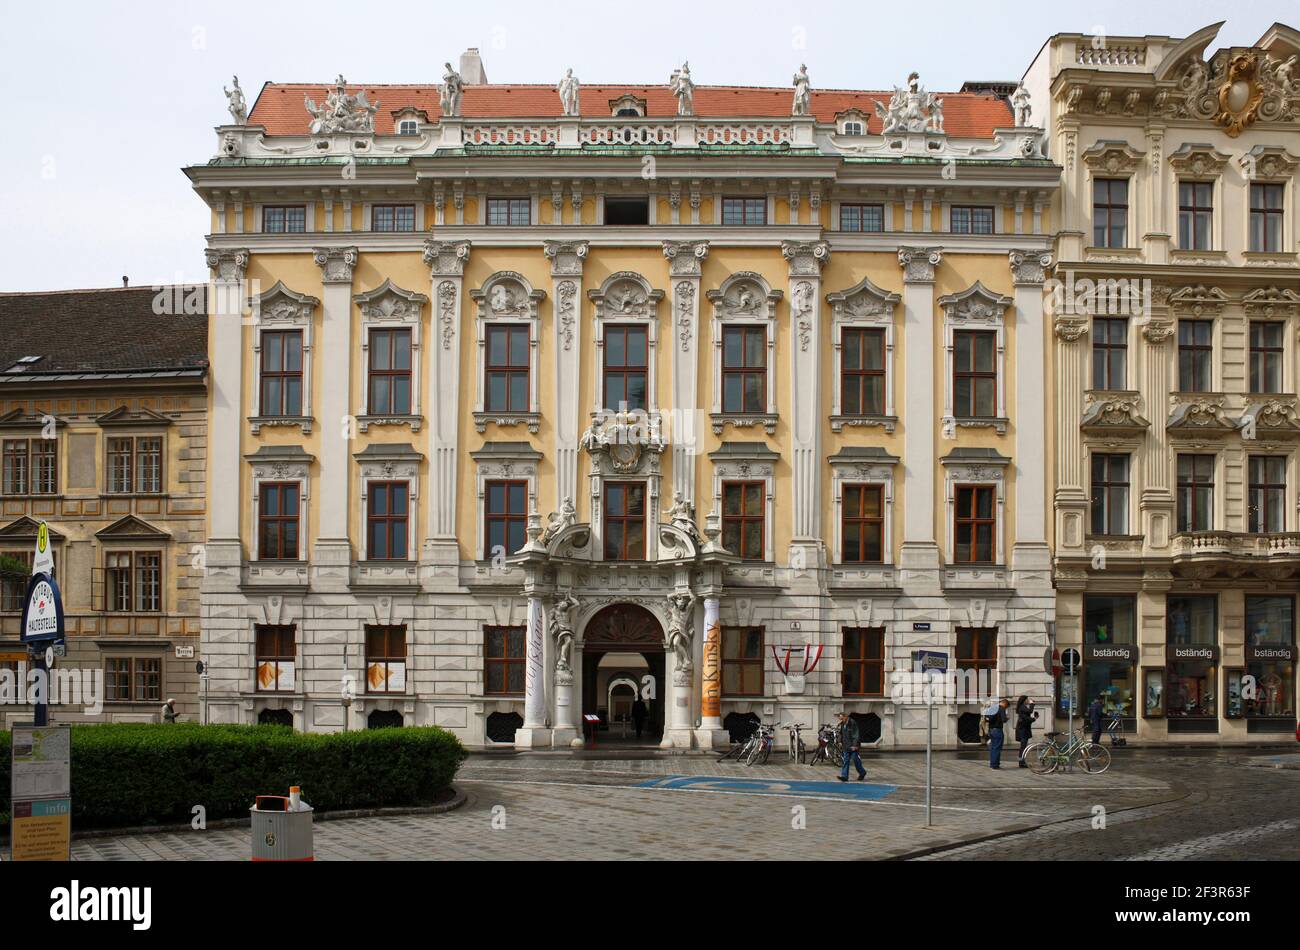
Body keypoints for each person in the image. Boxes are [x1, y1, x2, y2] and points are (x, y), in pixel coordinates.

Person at [836, 711, 867, 782]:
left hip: (853, 746)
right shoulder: (842, 724)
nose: (841, 720)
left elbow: (856, 735)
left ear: (846, 716)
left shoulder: (852, 723)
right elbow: (840, 733)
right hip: (846, 745)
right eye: (840, 719)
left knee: (855, 760)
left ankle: (862, 773)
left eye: (842, 718)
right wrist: (840, 740)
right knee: (846, 760)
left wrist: (855, 745)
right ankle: (844, 776)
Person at [1014, 695, 1039, 768]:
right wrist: (1031, 704)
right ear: (1024, 700)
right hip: (1023, 730)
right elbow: (1030, 711)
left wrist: (1034, 718)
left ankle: (1021, 762)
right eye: (1027, 699)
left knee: (1023, 747)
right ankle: (1021, 763)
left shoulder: (1022, 707)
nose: (1028, 700)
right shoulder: (1022, 707)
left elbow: (1027, 718)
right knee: (1023, 747)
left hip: (1024, 729)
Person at [987, 698, 1009, 769]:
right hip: (997, 730)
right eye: (1006, 707)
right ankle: (995, 765)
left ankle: (992, 764)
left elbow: (987, 717)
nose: (1006, 708)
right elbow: (1003, 720)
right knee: (997, 748)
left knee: (993, 748)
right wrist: (1007, 718)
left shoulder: (993, 708)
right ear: (1005, 704)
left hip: (991, 730)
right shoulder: (1001, 709)